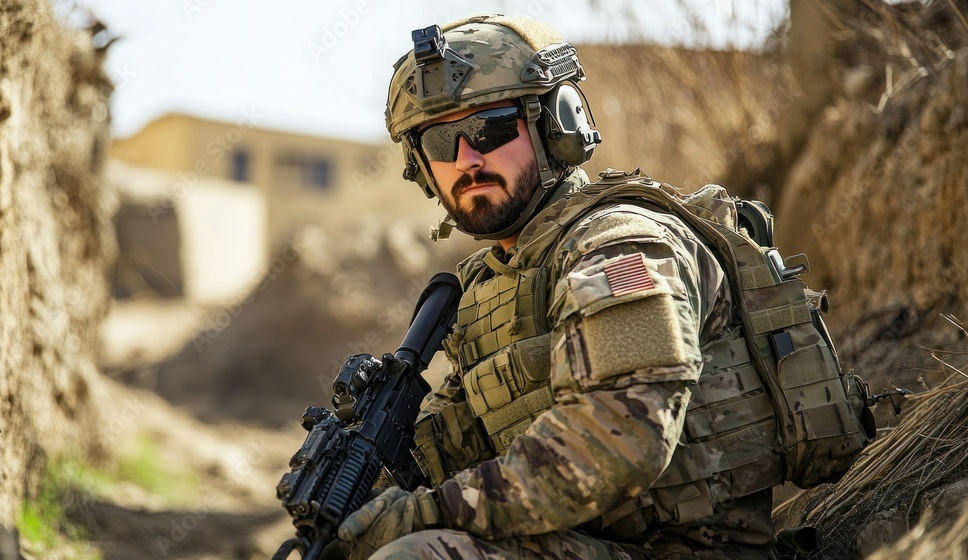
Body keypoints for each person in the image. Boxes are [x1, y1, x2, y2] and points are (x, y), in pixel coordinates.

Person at [335, 13, 866, 560]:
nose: (467, 159)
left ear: (555, 126)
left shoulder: (618, 246)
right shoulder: (490, 288)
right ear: (421, 167)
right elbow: (446, 447)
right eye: (441, 140)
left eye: (491, 128)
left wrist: (423, 515)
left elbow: (623, 438)